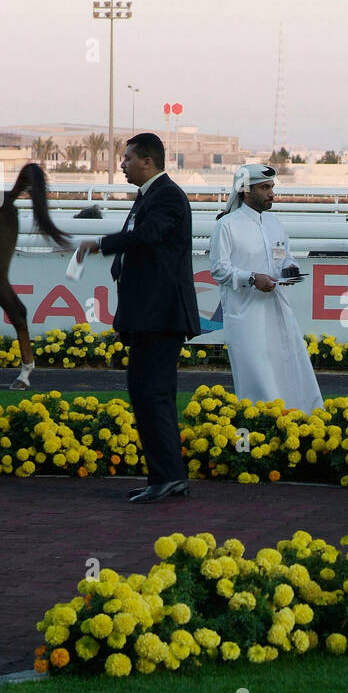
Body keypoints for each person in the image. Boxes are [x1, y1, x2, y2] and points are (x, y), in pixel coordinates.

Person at [75, 132, 199, 503]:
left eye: (127, 158)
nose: (122, 164)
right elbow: (141, 239)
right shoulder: (148, 197)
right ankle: (166, 476)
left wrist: (101, 245)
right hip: (148, 314)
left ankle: (166, 477)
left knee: (151, 394)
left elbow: (149, 235)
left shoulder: (168, 197)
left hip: (160, 316)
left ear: (148, 161)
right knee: (151, 394)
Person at [209, 163, 323, 412]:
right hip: (245, 313)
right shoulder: (227, 225)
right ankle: (260, 426)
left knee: (288, 364)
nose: (271, 193)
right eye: (264, 187)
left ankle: (297, 419)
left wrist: (289, 268)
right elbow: (219, 269)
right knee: (256, 373)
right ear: (245, 191)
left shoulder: (274, 223)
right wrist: (252, 278)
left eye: (272, 187)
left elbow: (285, 256)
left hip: (277, 309)